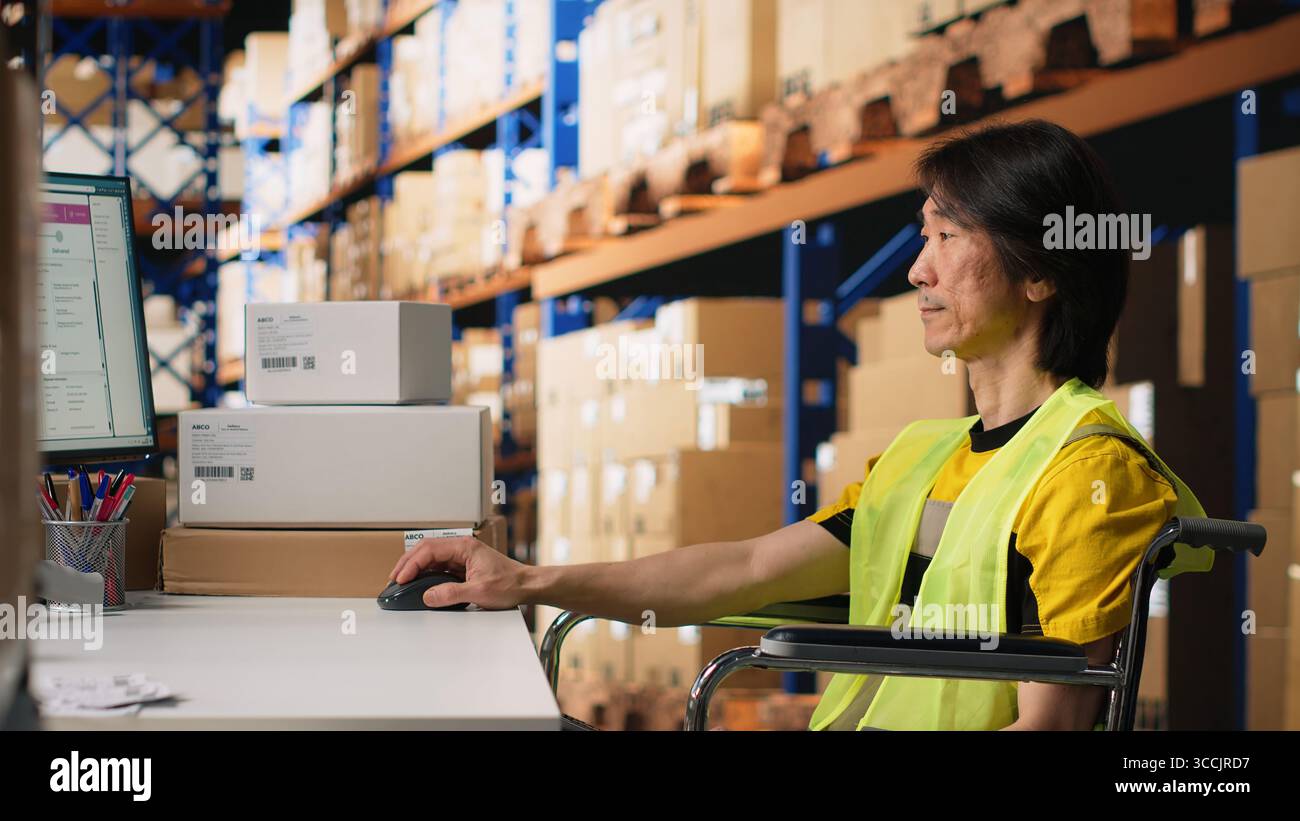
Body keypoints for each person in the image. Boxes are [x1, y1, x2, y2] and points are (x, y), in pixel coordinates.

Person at [389, 119, 1211, 730]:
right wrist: (529, 581)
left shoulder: (1088, 474)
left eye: (950, 237)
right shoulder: (924, 457)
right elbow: (743, 570)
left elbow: (1053, 727)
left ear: (1039, 274)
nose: (918, 268)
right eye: (923, 236)